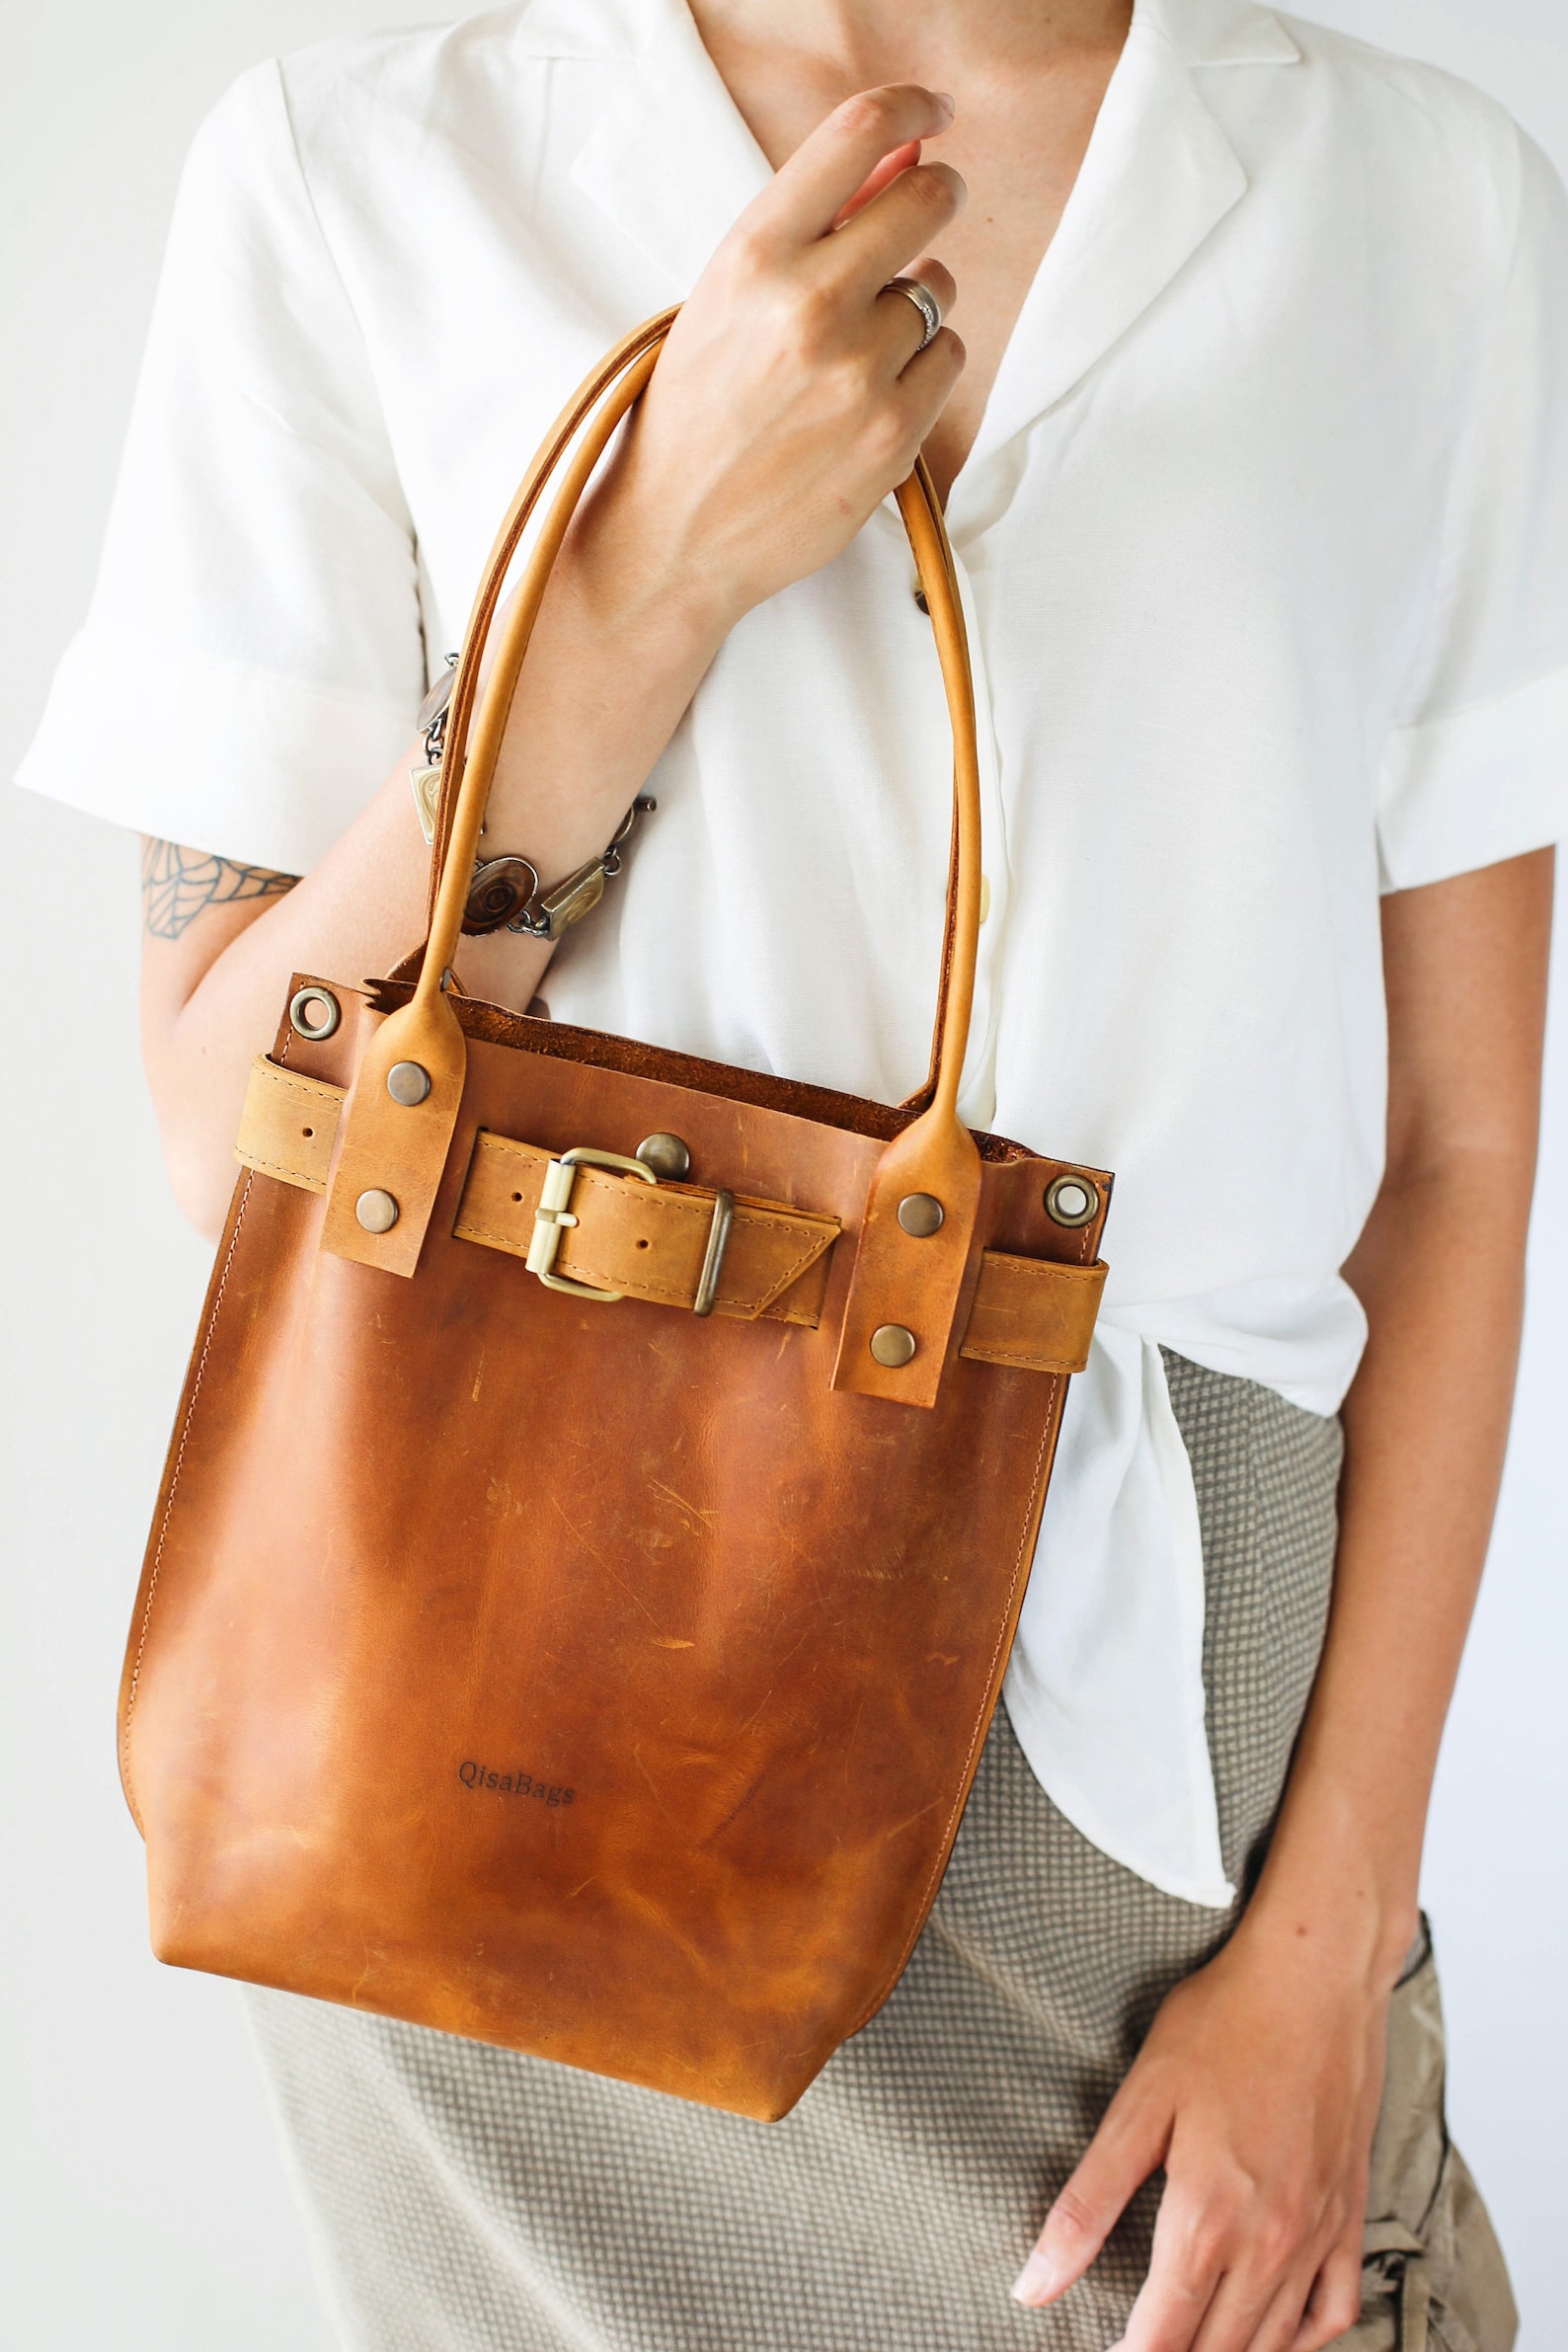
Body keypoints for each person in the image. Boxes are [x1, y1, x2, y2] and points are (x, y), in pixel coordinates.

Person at [20, 0, 1566, 2344]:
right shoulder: (366, 171)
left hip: (1168, 1838)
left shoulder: (1420, 200)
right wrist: (634, 584)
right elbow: (224, 1133)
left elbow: (1452, 1149)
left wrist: (1336, 1927)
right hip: (508, 1787)